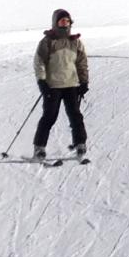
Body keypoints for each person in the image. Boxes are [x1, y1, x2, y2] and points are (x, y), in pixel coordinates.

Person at [32, 9, 89, 158]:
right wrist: (42, 81)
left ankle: (80, 144)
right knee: (49, 117)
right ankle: (39, 147)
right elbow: (39, 62)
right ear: (55, 22)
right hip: (53, 86)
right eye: (62, 21)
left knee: (75, 116)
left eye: (67, 21)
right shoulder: (47, 41)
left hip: (71, 85)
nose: (65, 24)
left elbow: (82, 63)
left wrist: (84, 81)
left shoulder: (75, 42)